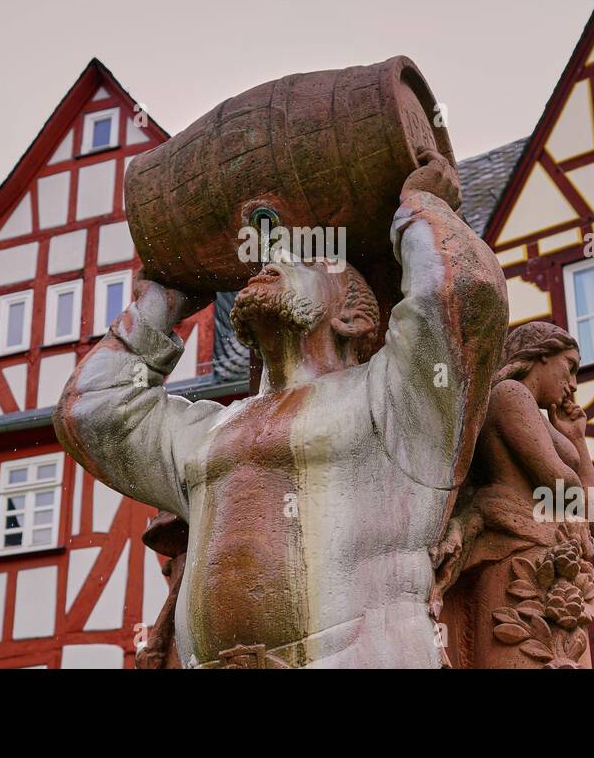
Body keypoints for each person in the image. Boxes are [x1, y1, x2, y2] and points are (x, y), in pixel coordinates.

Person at [53, 150, 507, 668]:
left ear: (352, 315)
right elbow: (92, 411)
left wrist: (421, 208)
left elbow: (459, 295)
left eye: (304, 261)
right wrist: (161, 300)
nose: (271, 263)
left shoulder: (397, 402)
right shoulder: (212, 429)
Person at [431, 321, 594, 668]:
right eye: (569, 367)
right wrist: (572, 483)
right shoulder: (509, 394)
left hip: (559, 568)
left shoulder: (548, 424)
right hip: (519, 556)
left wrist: (577, 439)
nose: (573, 385)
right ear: (539, 356)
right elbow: (561, 484)